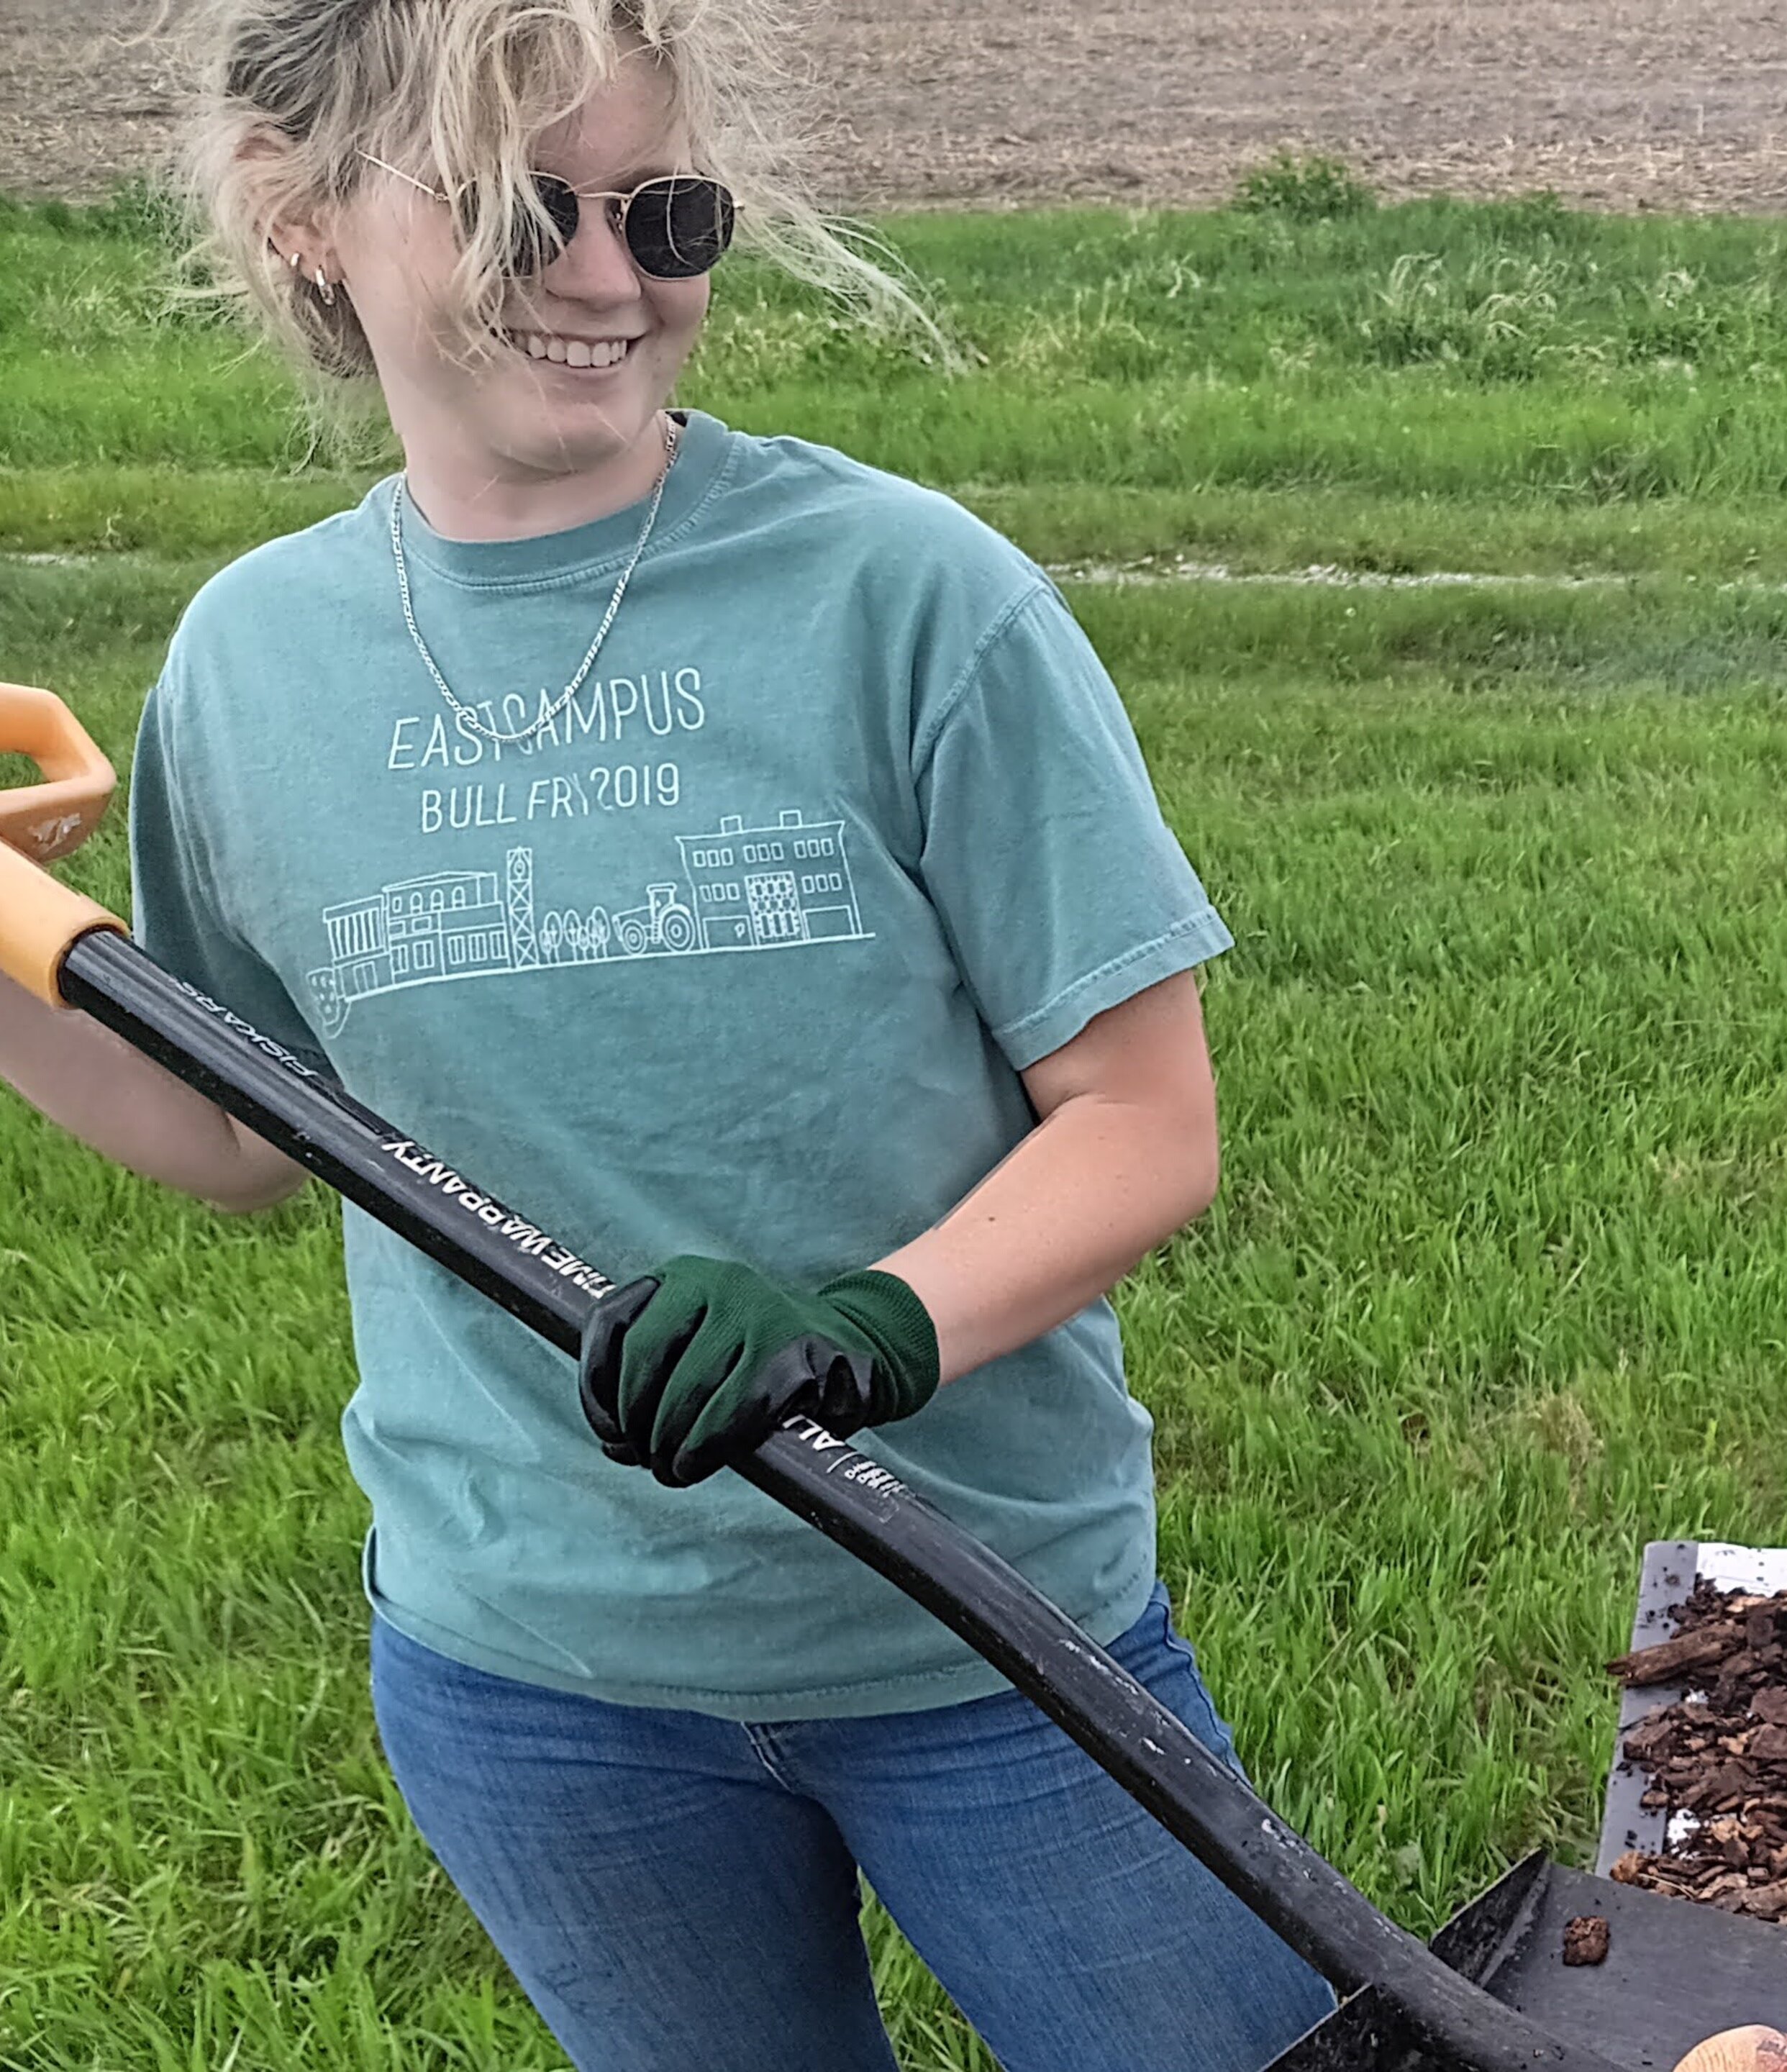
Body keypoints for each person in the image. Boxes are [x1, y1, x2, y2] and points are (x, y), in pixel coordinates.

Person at [0, 3, 1337, 2068]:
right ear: (303, 223)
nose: (611, 280)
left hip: (987, 1635)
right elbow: (241, 1132)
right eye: (526, 211)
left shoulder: (909, 599)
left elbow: (1145, 1123)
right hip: (531, 1678)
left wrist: (860, 1328)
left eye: (670, 211)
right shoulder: (254, 663)